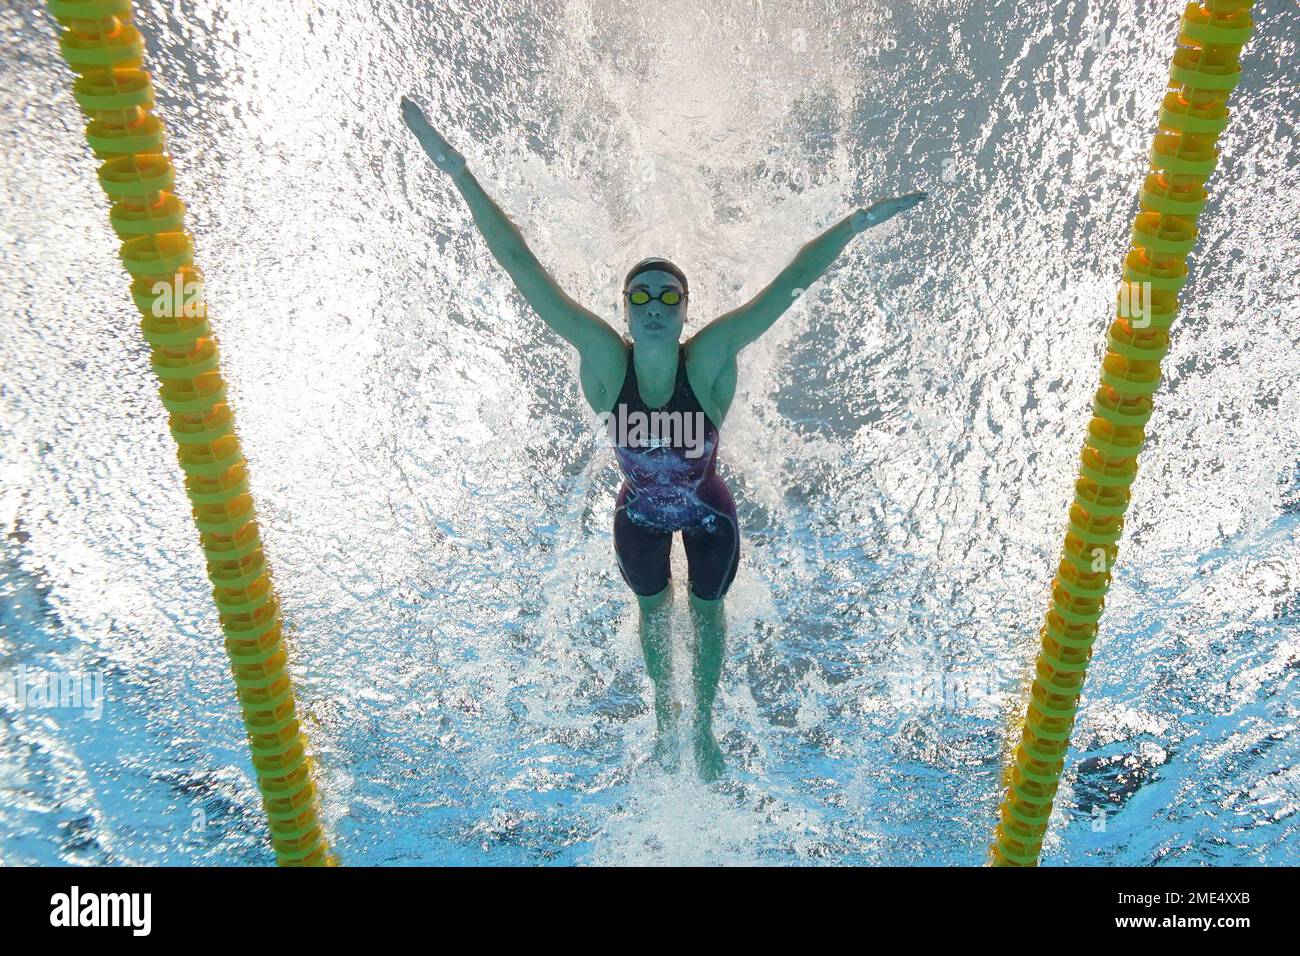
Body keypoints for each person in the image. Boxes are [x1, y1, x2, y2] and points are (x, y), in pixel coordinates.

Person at [400, 95, 926, 780]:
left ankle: (701, 728)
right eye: (640, 296)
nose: (653, 306)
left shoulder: (706, 363)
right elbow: (521, 267)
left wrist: (856, 224)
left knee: (704, 617)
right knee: (654, 616)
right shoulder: (602, 358)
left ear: (684, 313)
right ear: (624, 309)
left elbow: (791, 280)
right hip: (638, 518)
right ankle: (665, 719)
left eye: (667, 297)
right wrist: (456, 168)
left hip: (710, 517)